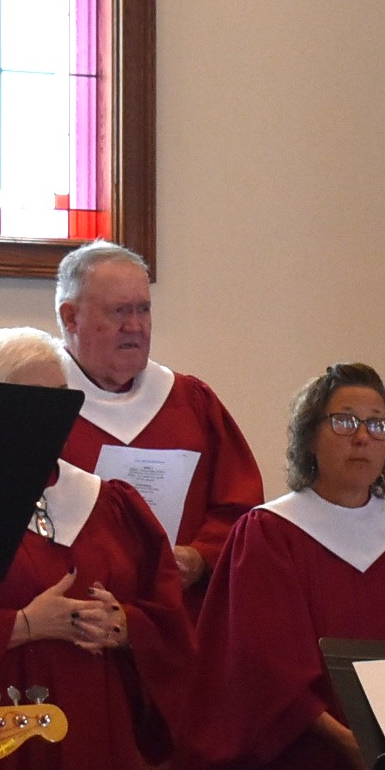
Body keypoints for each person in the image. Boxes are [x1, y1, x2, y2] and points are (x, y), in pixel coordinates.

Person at [0, 327, 196, 770]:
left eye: (61, 398)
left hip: (98, 727)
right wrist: (24, 625)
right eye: (31, 398)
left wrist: (126, 627)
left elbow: (170, 622)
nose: (52, 415)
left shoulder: (108, 502)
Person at [182, 363, 385, 770]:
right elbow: (263, 669)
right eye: (345, 420)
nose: (363, 436)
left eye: (377, 424)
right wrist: (350, 745)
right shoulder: (269, 533)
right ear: (310, 437)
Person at [52, 244, 264, 599]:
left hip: (172, 623)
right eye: (119, 311)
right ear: (71, 317)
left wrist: (201, 556)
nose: (134, 326)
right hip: (73, 617)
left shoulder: (191, 402)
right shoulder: (42, 401)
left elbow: (239, 508)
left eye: (143, 309)